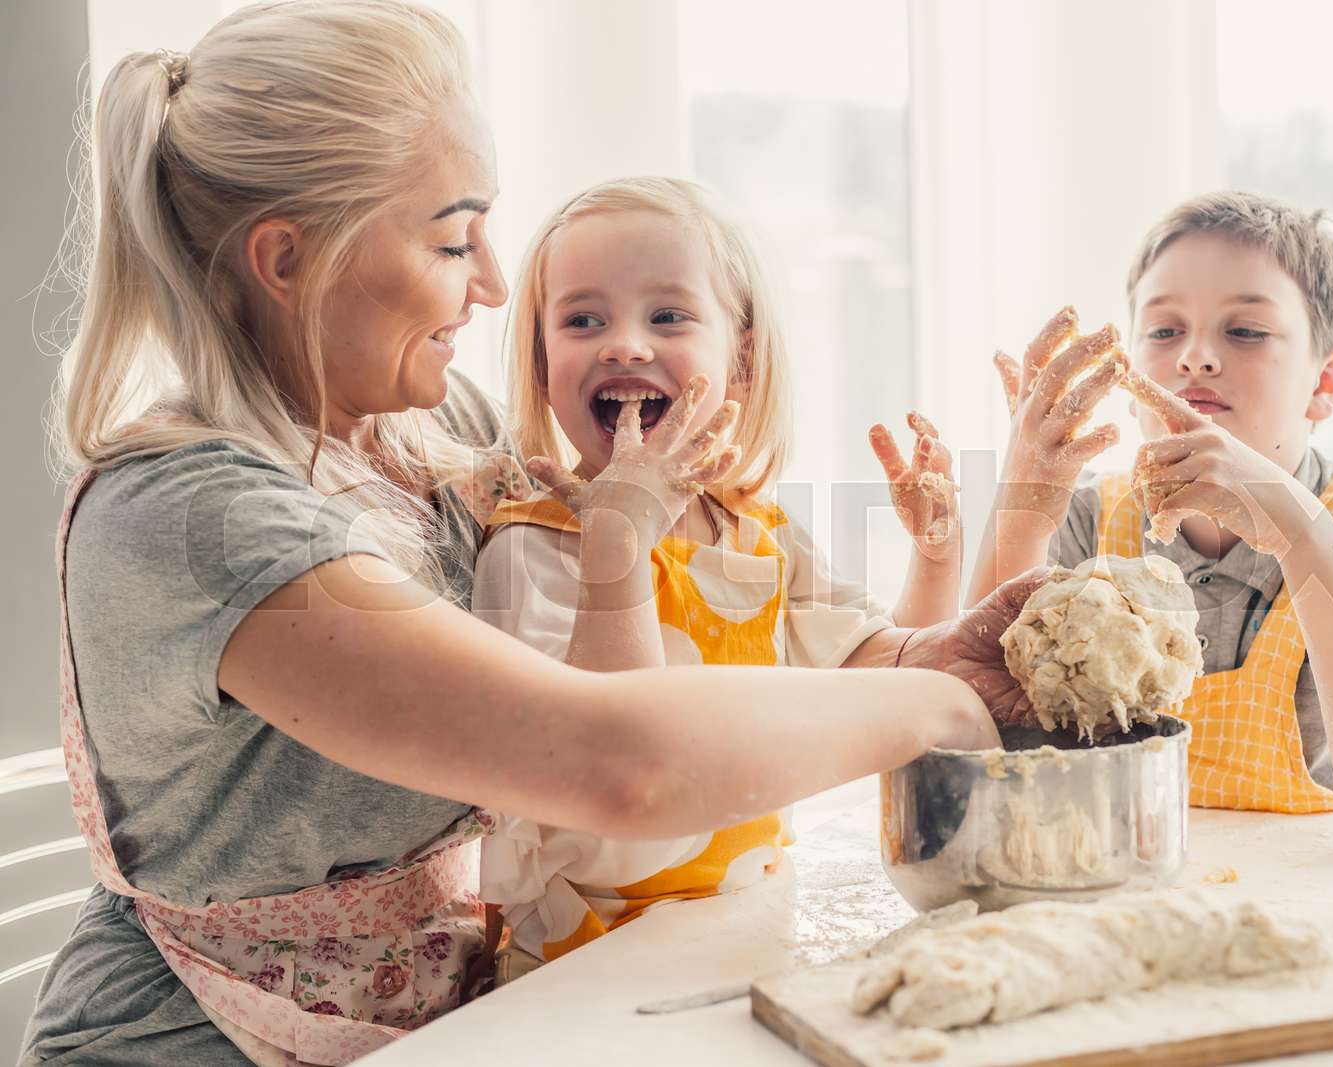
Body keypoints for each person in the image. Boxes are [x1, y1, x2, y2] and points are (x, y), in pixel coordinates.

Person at [21, 5, 1034, 1064]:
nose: (498, 286)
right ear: (287, 259)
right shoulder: (193, 516)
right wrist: (953, 698)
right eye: (453, 238)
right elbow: (616, 764)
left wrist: (935, 616)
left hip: (456, 1016)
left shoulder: (427, 424)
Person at [468, 177, 967, 974]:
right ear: (540, 364)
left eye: (666, 316)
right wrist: (618, 546)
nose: (624, 344)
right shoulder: (532, 545)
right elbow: (610, 769)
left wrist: (936, 560)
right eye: (582, 319)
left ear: (741, 358)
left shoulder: (759, 530)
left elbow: (882, 679)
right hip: (580, 961)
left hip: (743, 928)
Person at [966, 191, 1333, 854]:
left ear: (1326, 381)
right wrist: (1022, 506)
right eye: (1165, 331)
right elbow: (970, 755)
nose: (1195, 358)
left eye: (1245, 331)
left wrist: (1296, 525)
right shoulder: (1085, 520)